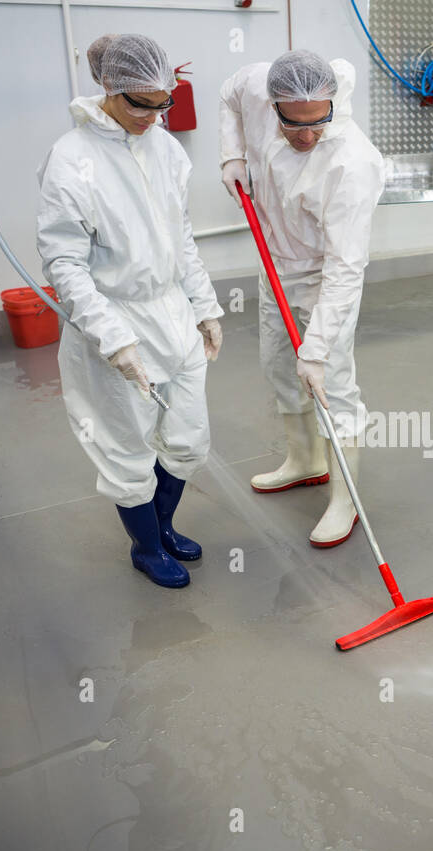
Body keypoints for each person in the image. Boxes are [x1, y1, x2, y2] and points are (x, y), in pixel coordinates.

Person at [38, 34, 224, 588]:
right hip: (113, 320)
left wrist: (205, 305)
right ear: (107, 88)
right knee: (127, 446)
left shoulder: (166, 149)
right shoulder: (72, 159)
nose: (152, 114)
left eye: (162, 101)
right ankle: (145, 546)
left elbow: (181, 236)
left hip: (171, 313)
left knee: (188, 439)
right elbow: (63, 263)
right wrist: (113, 339)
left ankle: (163, 526)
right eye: (139, 103)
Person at [218, 50, 385, 548]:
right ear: (273, 106)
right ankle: (304, 460)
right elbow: (227, 95)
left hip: (322, 277)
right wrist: (231, 154)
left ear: (332, 104)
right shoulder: (253, 86)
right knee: (276, 364)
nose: (308, 136)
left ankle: (346, 498)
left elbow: (346, 269)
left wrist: (316, 349)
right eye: (294, 124)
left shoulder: (351, 164)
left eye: (320, 122)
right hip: (275, 267)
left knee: (330, 383)